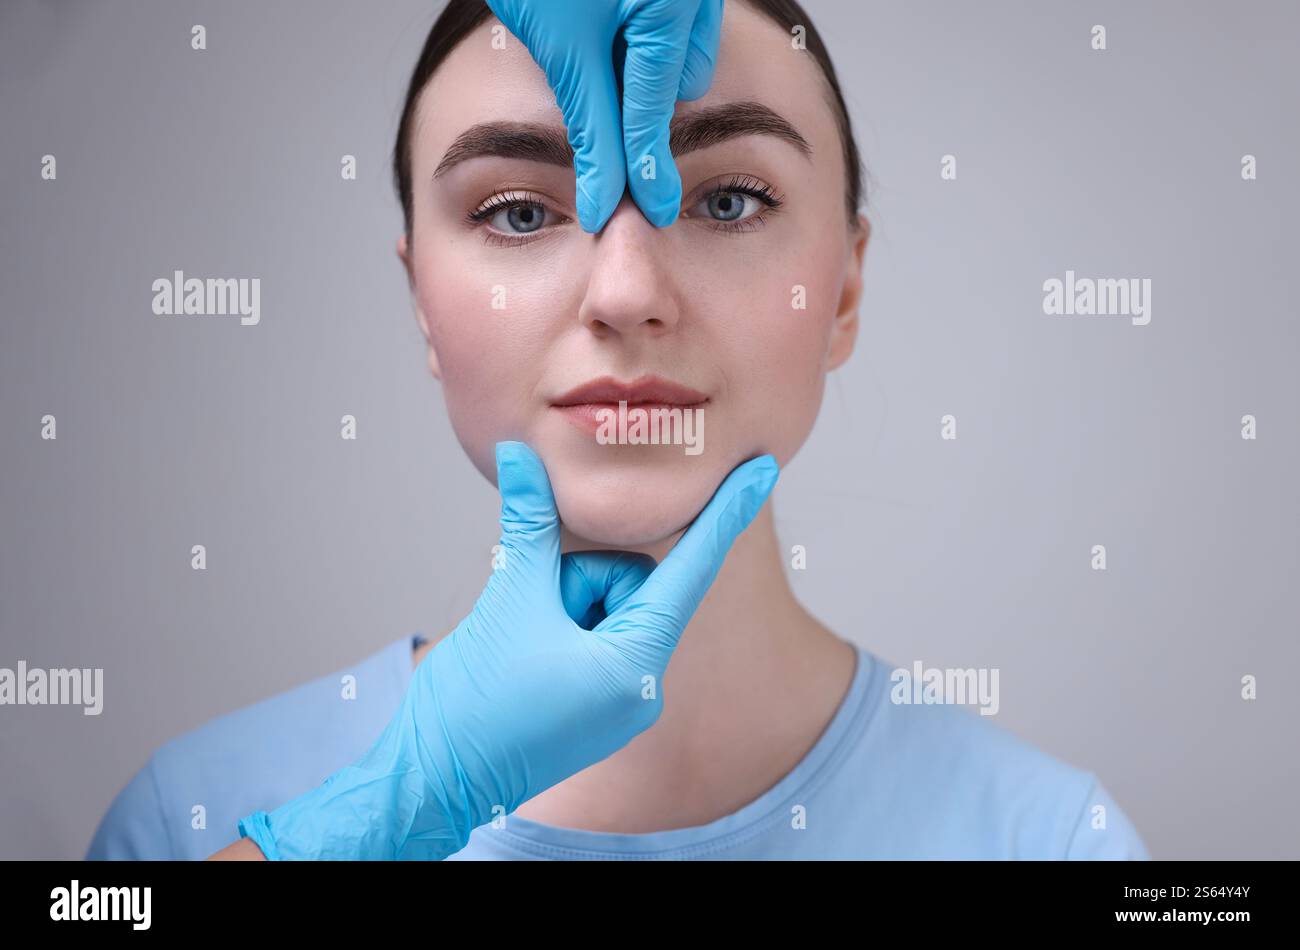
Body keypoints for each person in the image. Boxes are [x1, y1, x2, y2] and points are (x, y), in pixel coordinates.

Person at [86, 0, 1150, 860]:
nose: (627, 289)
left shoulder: (1049, 842)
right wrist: (370, 825)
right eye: (517, 212)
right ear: (421, 300)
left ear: (844, 289)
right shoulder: (187, 818)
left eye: (727, 200)